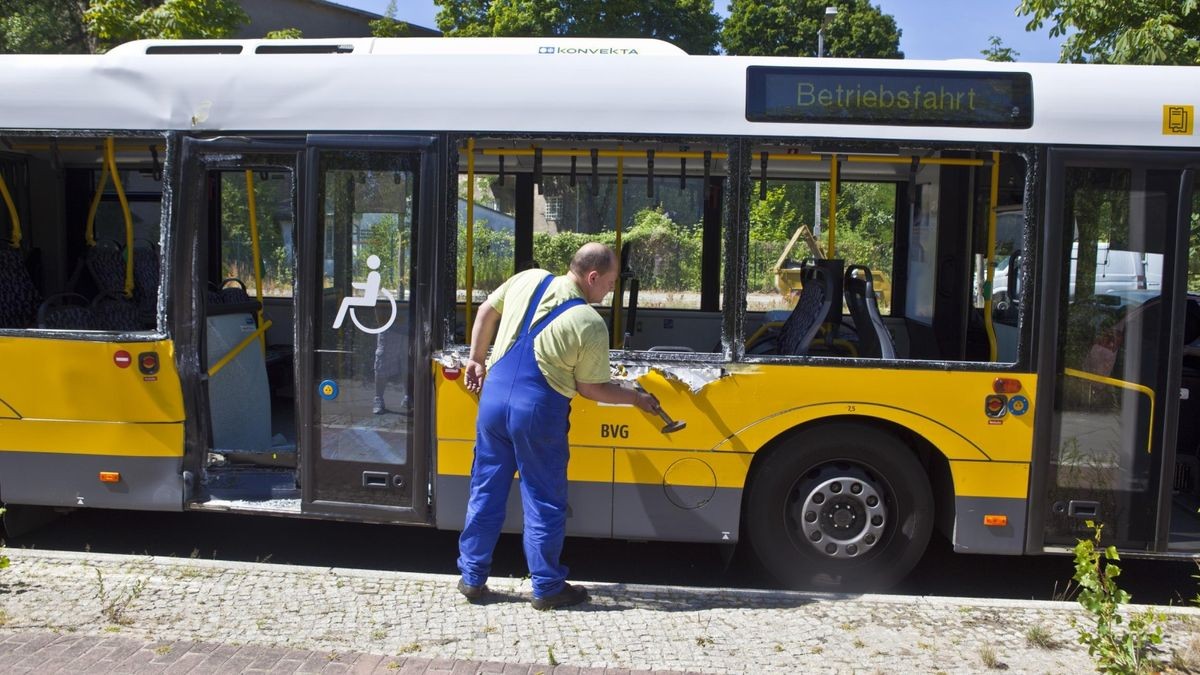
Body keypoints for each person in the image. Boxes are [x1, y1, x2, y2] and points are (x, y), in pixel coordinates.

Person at [457, 243, 659, 610]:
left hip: (492, 402)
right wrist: (636, 398)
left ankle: (472, 577)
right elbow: (591, 389)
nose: (610, 290)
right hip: (537, 412)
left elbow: (486, 311)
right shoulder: (589, 322)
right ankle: (547, 587)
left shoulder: (527, 278)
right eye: (610, 283)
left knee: (485, 490)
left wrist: (476, 360)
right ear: (592, 277)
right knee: (542, 498)